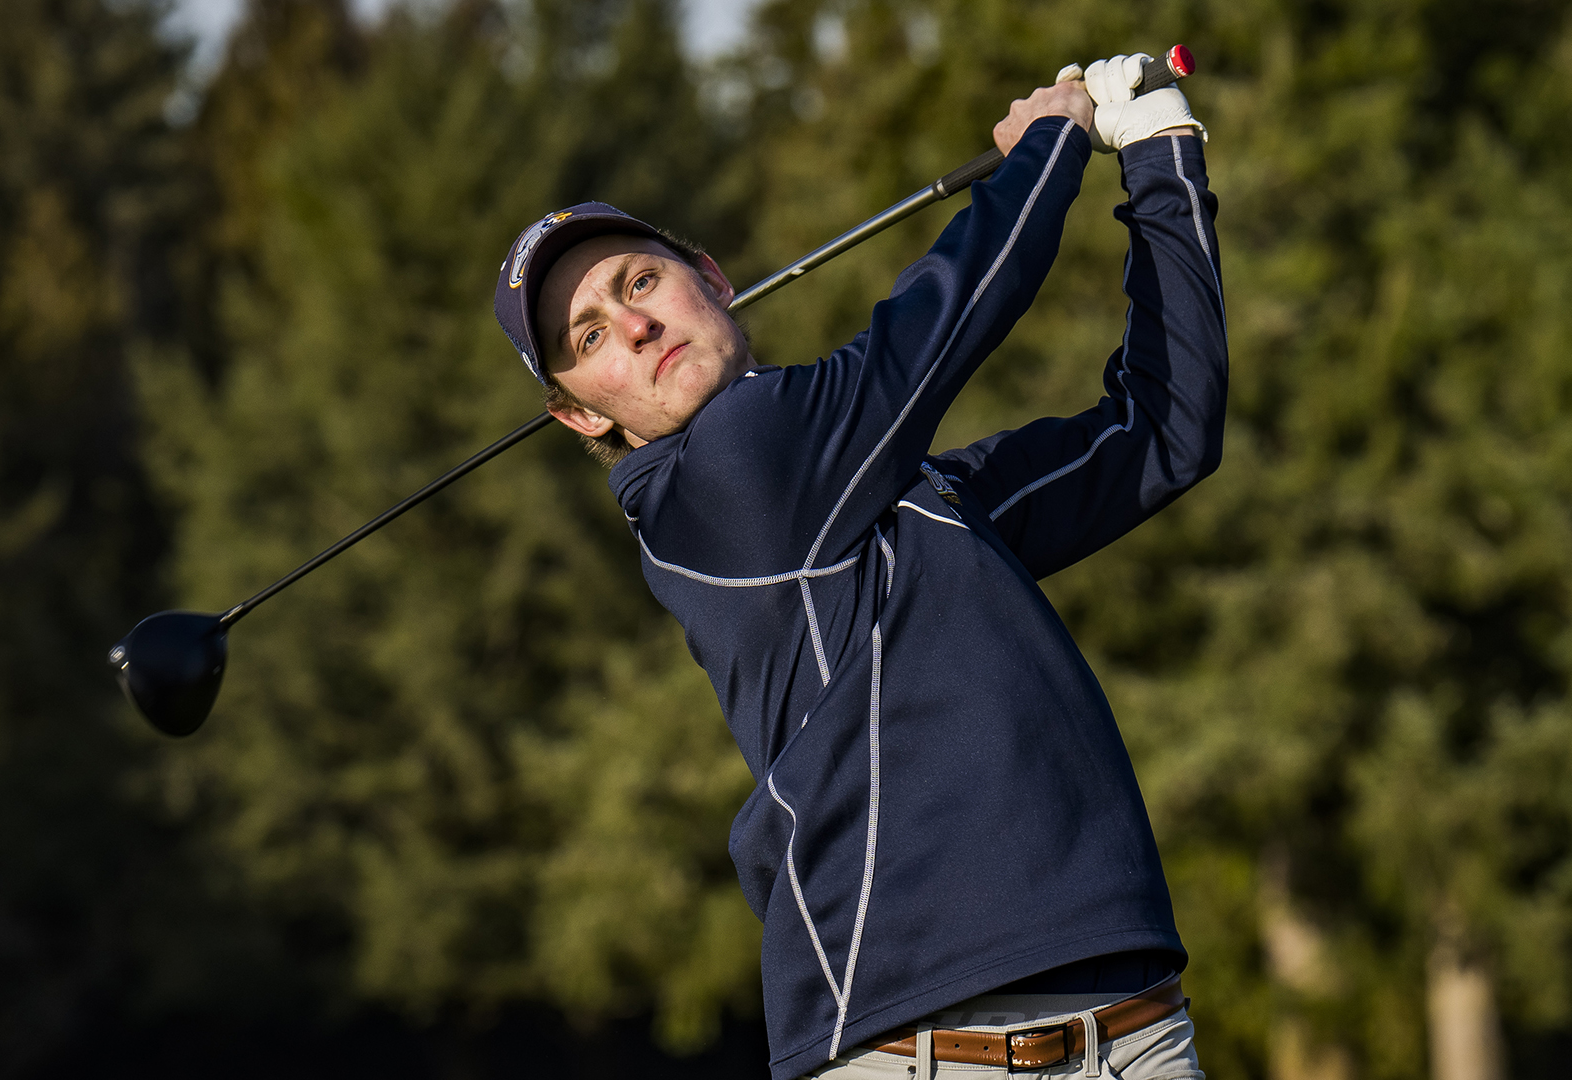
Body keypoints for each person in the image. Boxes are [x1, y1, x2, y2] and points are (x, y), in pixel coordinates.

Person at [493, 54, 1226, 1080]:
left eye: (640, 281)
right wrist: (1052, 141)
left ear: (710, 275)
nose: (637, 325)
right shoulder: (722, 478)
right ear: (583, 414)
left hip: (1133, 1027)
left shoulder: (901, 501)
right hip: (925, 1052)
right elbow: (938, 322)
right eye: (591, 336)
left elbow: (1163, 433)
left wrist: (1162, 163)